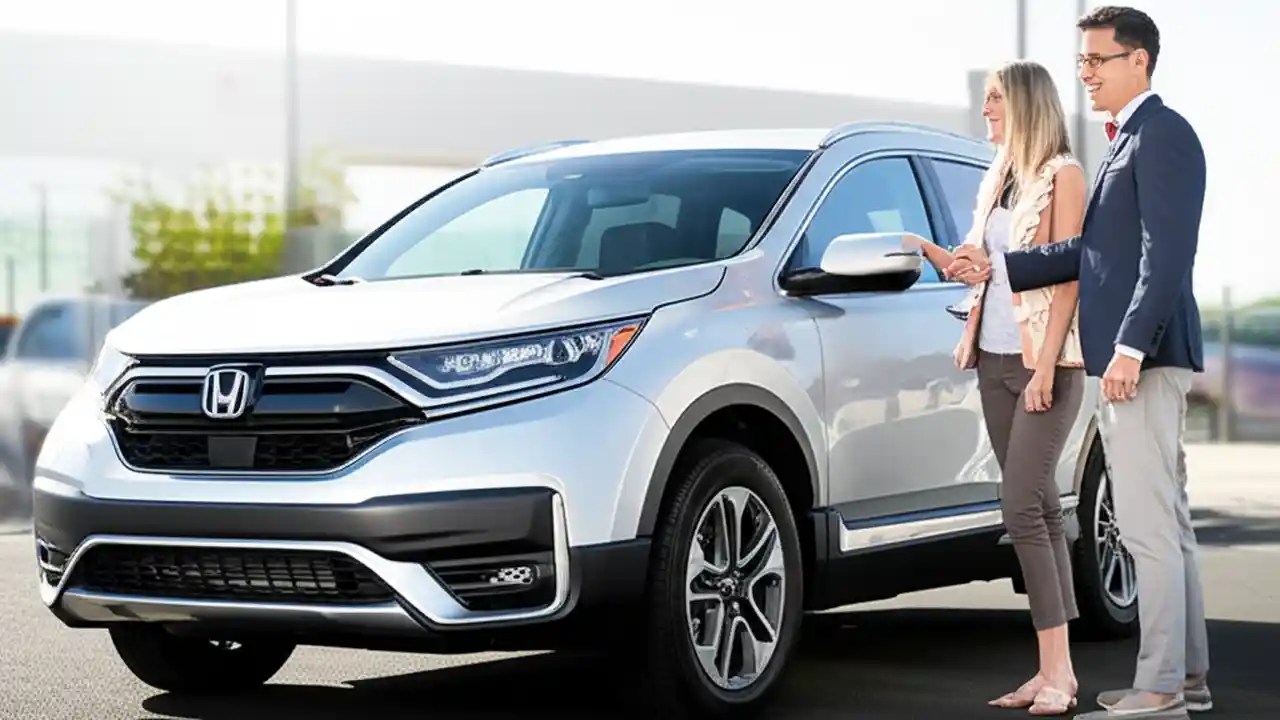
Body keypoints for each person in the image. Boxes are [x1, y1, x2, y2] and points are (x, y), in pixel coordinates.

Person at [949, 7, 1211, 719]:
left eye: (1099, 59)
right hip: (1137, 354)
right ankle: (1184, 676)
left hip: (1144, 358)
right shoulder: (1128, 146)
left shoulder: (1164, 137)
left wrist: (1127, 349)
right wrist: (999, 264)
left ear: (1140, 62)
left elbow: (1167, 257)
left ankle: (1158, 687)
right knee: (1167, 521)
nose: (1086, 74)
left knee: (1146, 525)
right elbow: (1092, 255)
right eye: (1083, 61)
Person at [910, 58, 1088, 716]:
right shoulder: (998, 178)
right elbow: (987, 270)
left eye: (995, 100)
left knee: (1020, 511)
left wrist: (1043, 369)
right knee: (1038, 511)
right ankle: (1051, 673)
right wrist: (945, 258)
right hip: (992, 360)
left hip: (1048, 367)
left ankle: (1059, 676)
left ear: (1025, 104)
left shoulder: (1064, 176)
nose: (985, 111)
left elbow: (1070, 275)